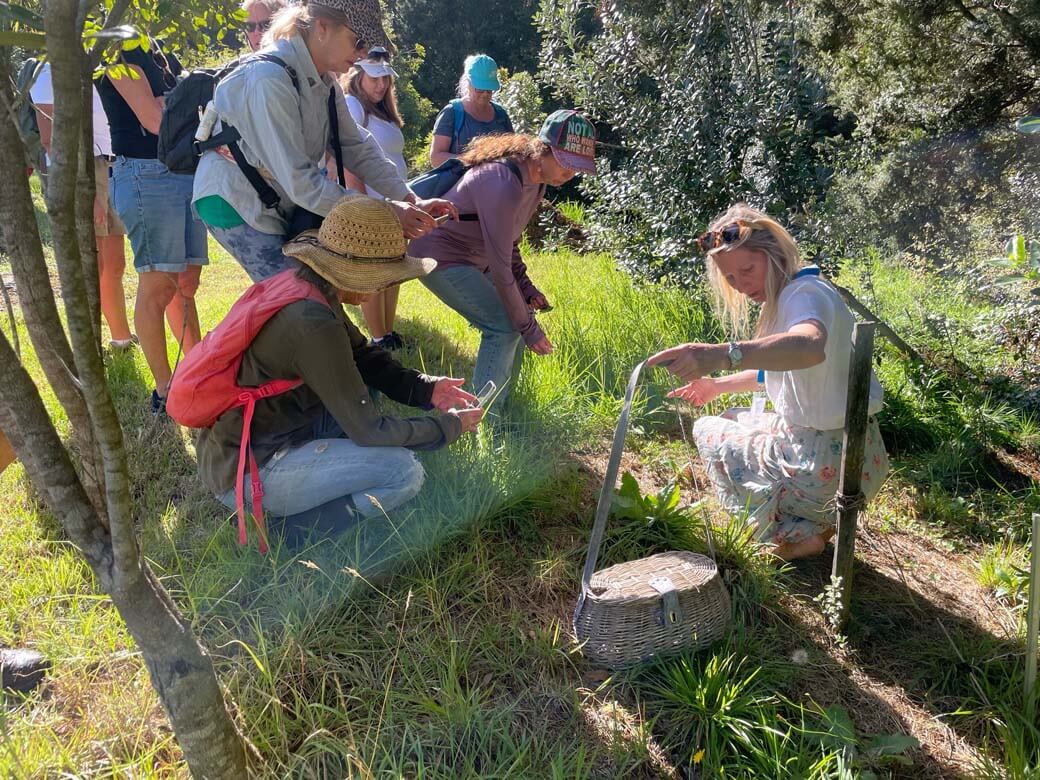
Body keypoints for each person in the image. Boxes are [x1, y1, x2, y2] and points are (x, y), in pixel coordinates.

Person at [194, 195, 483, 547]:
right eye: (384, 278)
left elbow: (361, 356)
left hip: (250, 442)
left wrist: (426, 389)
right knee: (403, 473)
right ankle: (290, 535)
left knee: (365, 391)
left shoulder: (309, 287)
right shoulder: (311, 323)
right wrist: (445, 427)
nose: (386, 288)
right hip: (252, 470)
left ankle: (318, 481)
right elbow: (369, 431)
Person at [648, 205, 890, 561]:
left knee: (705, 429)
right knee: (731, 416)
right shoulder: (806, 289)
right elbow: (781, 366)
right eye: (730, 278)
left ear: (775, 253)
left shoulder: (801, 295)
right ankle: (816, 527)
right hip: (860, 458)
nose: (741, 284)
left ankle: (777, 537)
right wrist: (717, 384)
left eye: (747, 269)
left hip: (821, 468)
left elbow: (807, 347)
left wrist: (719, 354)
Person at [192, 0, 454, 284]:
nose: (364, 53)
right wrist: (388, 213)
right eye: (358, 40)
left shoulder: (325, 81)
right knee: (296, 299)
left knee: (313, 297)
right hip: (232, 200)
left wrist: (409, 199)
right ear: (322, 27)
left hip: (273, 195)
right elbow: (303, 184)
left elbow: (356, 146)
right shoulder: (268, 80)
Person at [409, 110, 598, 406]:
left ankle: (503, 407)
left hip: (473, 258)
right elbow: (499, 268)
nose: (570, 174)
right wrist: (529, 329)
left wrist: (526, 288)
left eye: (577, 167)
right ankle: (483, 421)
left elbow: (509, 241)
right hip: (439, 256)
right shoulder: (500, 180)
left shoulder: (537, 180)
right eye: (565, 163)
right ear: (543, 149)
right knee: (505, 327)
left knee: (518, 317)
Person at [97, 38, 207, 414]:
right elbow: (155, 119)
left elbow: (176, 108)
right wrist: (189, 102)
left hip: (183, 170)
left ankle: (198, 371)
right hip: (145, 173)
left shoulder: (159, 45)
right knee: (158, 284)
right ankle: (166, 391)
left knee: (187, 281)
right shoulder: (114, 45)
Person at [31, 62, 135, 351]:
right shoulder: (50, 72)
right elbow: (51, 140)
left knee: (114, 264)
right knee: (94, 264)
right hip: (81, 170)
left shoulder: (97, 63)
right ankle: (90, 343)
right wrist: (85, 192)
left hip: (110, 164)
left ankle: (121, 338)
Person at [340, 46, 408, 349]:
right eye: (374, 78)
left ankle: (389, 333)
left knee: (392, 273)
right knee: (374, 275)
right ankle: (379, 339)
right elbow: (347, 157)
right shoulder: (352, 105)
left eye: (385, 79)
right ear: (358, 76)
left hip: (396, 205)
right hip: (372, 205)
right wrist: (363, 202)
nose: (381, 85)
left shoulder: (383, 110)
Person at [428, 54, 513, 168]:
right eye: (480, 89)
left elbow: (514, 152)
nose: (485, 94)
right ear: (468, 83)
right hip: (460, 184)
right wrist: (474, 160)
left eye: (489, 90)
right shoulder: (452, 113)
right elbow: (436, 158)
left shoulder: (501, 114)